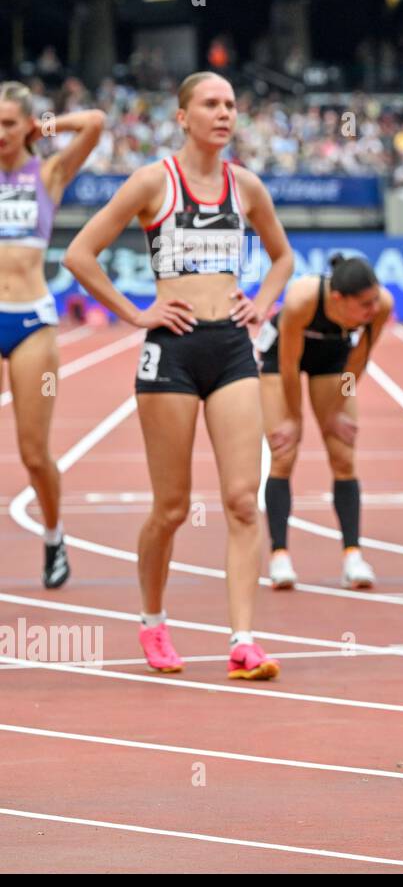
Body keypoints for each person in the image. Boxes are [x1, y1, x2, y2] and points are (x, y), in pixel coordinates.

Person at [64, 71, 294, 681]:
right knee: (171, 506)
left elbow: (283, 256)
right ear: (183, 116)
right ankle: (152, 620)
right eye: (211, 104)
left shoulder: (245, 186)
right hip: (171, 350)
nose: (224, 114)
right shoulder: (151, 183)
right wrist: (138, 312)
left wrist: (264, 302)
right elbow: (79, 254)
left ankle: (243, 641)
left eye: (231, 105)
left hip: (232, 349)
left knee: (244, 501)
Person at [0, 82, 105, 588]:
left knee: (33, 452)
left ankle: (53, 535)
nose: (1, 133)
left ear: (27, 126)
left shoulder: (48, 172)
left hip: (30, 321)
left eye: (9, 123)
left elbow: (96, 124)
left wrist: (47, 126)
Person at [256, 254, 393, 589]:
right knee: (284, 450)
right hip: (282, 356)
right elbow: (289, 365)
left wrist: (334, 411)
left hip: (334, 358)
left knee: (343, 452)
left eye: (375, 299)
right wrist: (294, 418)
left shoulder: (382, 305)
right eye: (364, 304)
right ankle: (279, 556)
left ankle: (352, 556)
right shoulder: (303, 298)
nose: (373, 308)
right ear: (338, 300)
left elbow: (358, 361)